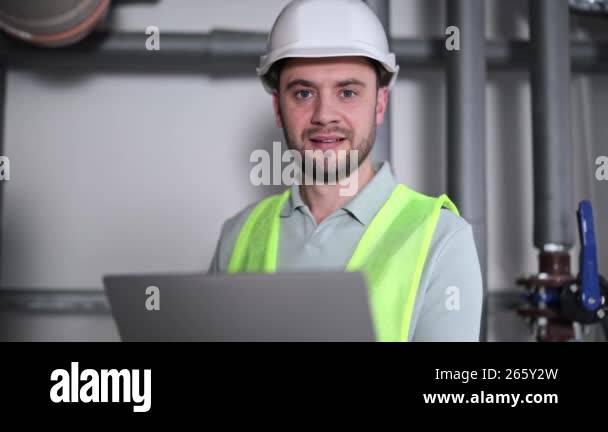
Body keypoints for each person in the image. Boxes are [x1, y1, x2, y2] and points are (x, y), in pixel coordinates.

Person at [209, 0, 482, 341]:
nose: (325, 114)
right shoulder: (237, 237)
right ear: (278, 108)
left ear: (380, 104)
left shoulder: (441, 239)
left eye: (348, 92)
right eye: (304, 92)